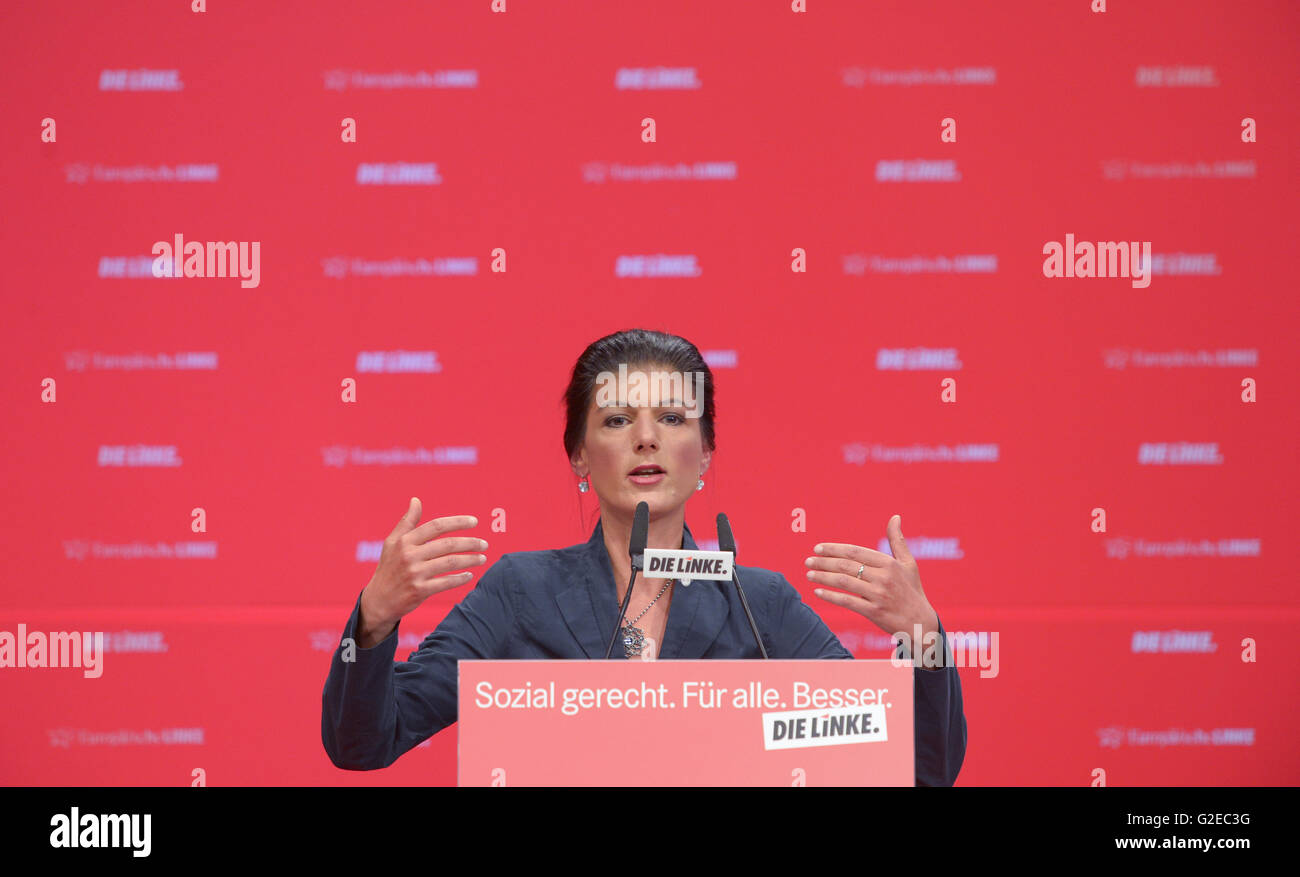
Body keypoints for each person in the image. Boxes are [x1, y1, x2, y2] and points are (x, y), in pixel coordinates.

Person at [321, 328, 967, 785]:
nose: (647, 438)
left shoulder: (759, 603)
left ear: (706, 451)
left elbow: (919, 769)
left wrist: (924, 637)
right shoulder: (520, 591)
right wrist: (373, 621)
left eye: (673, 418)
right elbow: (363, 744)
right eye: (617, 420)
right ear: (578, 454)